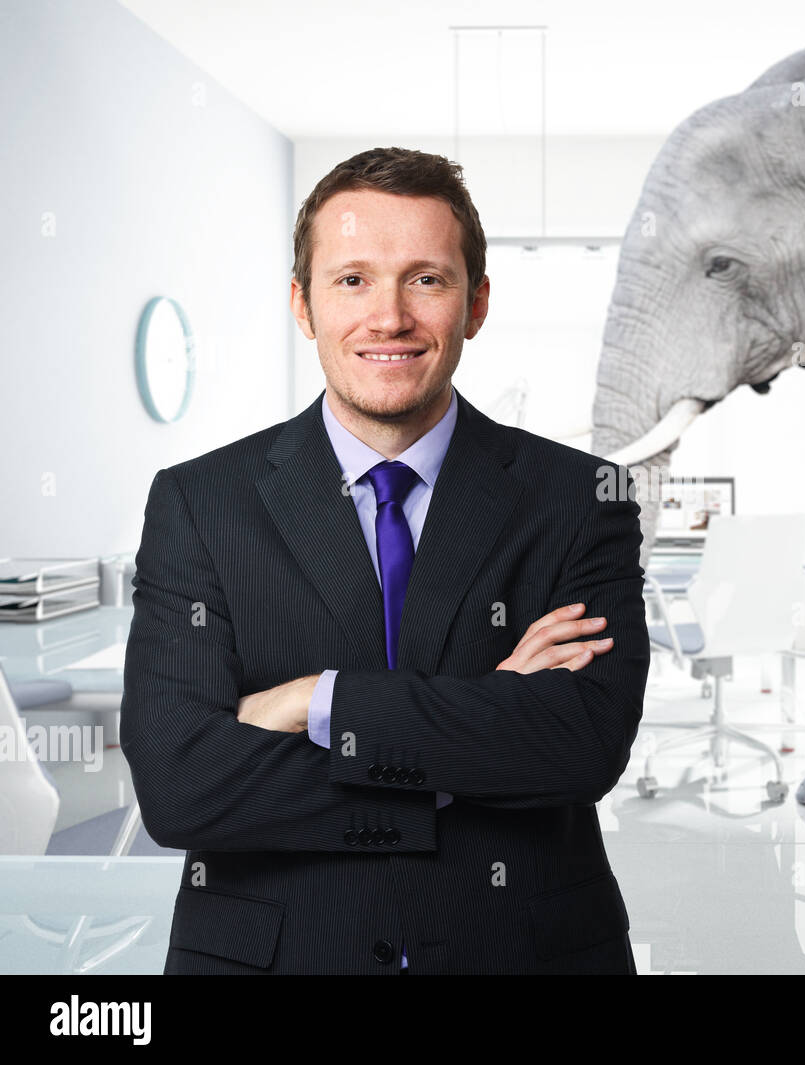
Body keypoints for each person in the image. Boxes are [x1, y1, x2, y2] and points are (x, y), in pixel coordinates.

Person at [119, 146, 650, 974]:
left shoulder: (582, 497)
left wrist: (313, 700)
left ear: (475, 304)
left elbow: (581, 745)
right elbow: (181, 784)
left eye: (426, 280)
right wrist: (483, 721)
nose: (390, 318)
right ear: (303, 304)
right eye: (353, 280)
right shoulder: (200, 502)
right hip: (274, 956)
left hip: (526, 950)